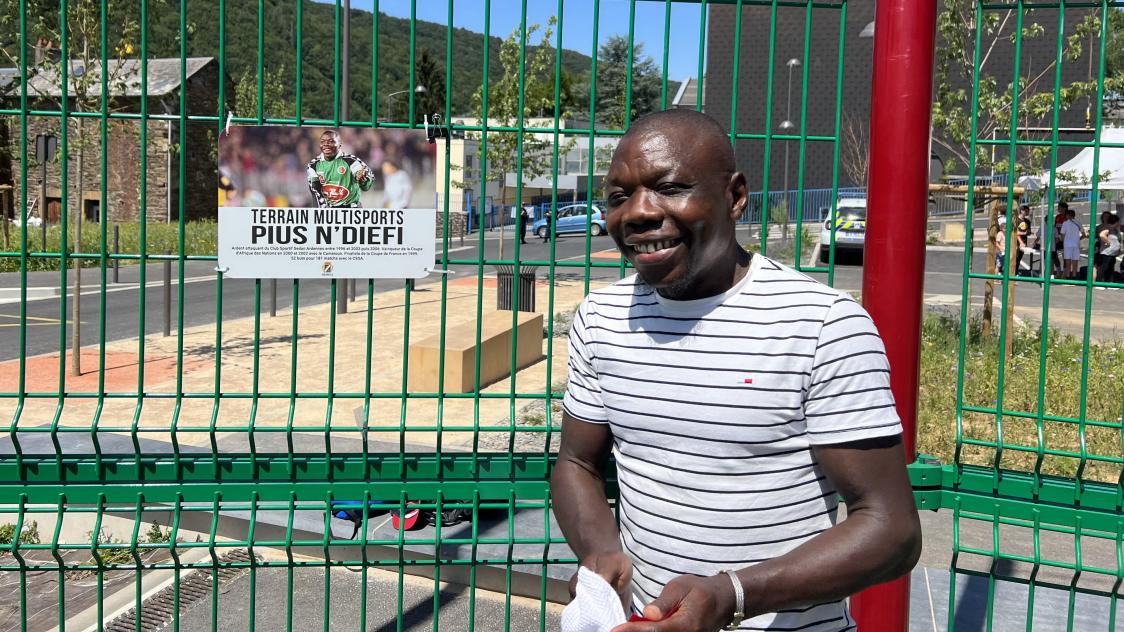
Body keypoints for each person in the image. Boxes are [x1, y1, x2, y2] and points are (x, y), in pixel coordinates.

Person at [550, 109, 921, 632]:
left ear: (735, 196)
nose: (637, 212)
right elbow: (576, 463)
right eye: (618, 196)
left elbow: (891, 530)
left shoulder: (821, 324)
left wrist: (733, 596)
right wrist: (600, 553)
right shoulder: (602, 318)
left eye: (669, 188)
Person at [306, 130, 374, 208]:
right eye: (322, 141)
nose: (326, 144)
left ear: (340, 144)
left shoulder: (351, 161)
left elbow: (366, 185)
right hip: (329, 211)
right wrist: (321, 211)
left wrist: (362, 178)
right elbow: (315, 191)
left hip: (351, 209)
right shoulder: (313, 165)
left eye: (331, 141)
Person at [1095, 213, 1121, 286]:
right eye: (1118, 222)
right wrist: (1108, 241)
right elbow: (1101, 235)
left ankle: (1109, 283)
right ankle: (1099, 283)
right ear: (1116, 222)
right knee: (1104, 267)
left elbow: (1118, 240)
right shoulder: (1109, 228)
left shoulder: (1115, 229)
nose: (1119, 223)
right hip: (1107, 252)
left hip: (1113, 253)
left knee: (1110, 268)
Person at [1059, 208, 1085, 280]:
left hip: (1067, 244)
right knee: (1075, 261)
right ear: (1074, 215)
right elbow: (1084, 235)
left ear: (1067, 215)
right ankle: (1074, 275)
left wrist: (1063, 240)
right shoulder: (1078, 223)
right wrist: (1078, 239)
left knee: (1068, 261)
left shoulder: (1065, 223)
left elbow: (1062, 234)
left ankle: (1068, 275)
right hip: (1076, 244)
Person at [1052, 202, 1068, 276]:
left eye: (1059, 208)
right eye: (1058, 208)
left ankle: (1064, 274)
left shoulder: (1068, 217)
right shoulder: (1057, 217)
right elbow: (1055, 227)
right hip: (1057, 239)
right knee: (1054, 255)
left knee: (1065, 257)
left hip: (1066, 239)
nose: (1058, 209)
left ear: (1064, 208)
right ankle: (1058, 271)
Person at [1015, 204, 1032, 276]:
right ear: (1021, 211)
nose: (1027, 212)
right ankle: (1012, 272)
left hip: (1024, 241)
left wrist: (1028, 232)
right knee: (1015, 257)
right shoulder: (1016, 220)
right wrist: (1024, 233)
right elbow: (1014, 232)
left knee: (1019, 257)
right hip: (1016, 242)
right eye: (1026, 211)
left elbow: (1029, 232)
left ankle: (1015, 272)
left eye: (1028, 211)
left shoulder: (1027, 221)